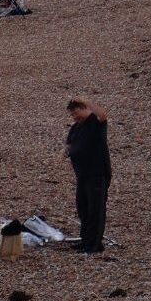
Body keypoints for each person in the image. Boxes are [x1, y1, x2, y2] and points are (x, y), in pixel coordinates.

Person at [64, 98, 111, 253]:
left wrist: (85, 101)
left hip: (97, 174)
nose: (74, 117)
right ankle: (85, 240)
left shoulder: (95, 122)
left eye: (76, 112)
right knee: (83, 208)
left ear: (84, 108)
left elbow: (103, 114)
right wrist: (67, 152)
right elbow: (69, 144)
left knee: (95, 210)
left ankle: (94, 245)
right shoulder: (76, 127)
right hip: (82, 175)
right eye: (72, 115)